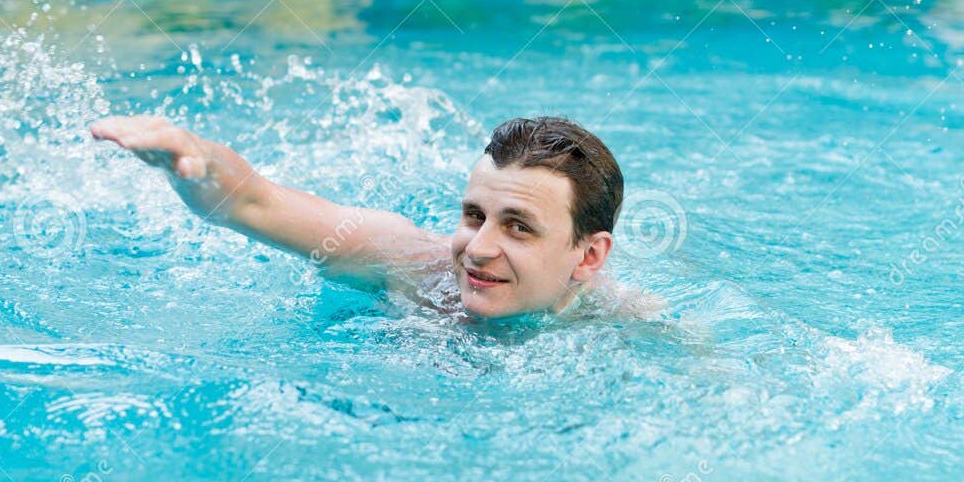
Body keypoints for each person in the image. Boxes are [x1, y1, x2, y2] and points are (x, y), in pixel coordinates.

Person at [89, 114, 641, 319]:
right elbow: (254, 202)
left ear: (588, 256)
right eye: (474, 216)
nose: (476, 248)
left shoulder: (624, 325)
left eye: (518, 226)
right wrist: (194, 161)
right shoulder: (404, 261)